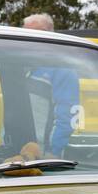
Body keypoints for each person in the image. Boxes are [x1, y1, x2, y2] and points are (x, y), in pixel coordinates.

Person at [21, 13, 79, 158]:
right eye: (25, 35)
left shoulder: (62, 70)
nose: (28, 40)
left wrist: (53, 152)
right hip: (19, 153)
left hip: (45, 157)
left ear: (49, 35)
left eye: (33, 34)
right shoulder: (20, 68)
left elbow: (66, 117)